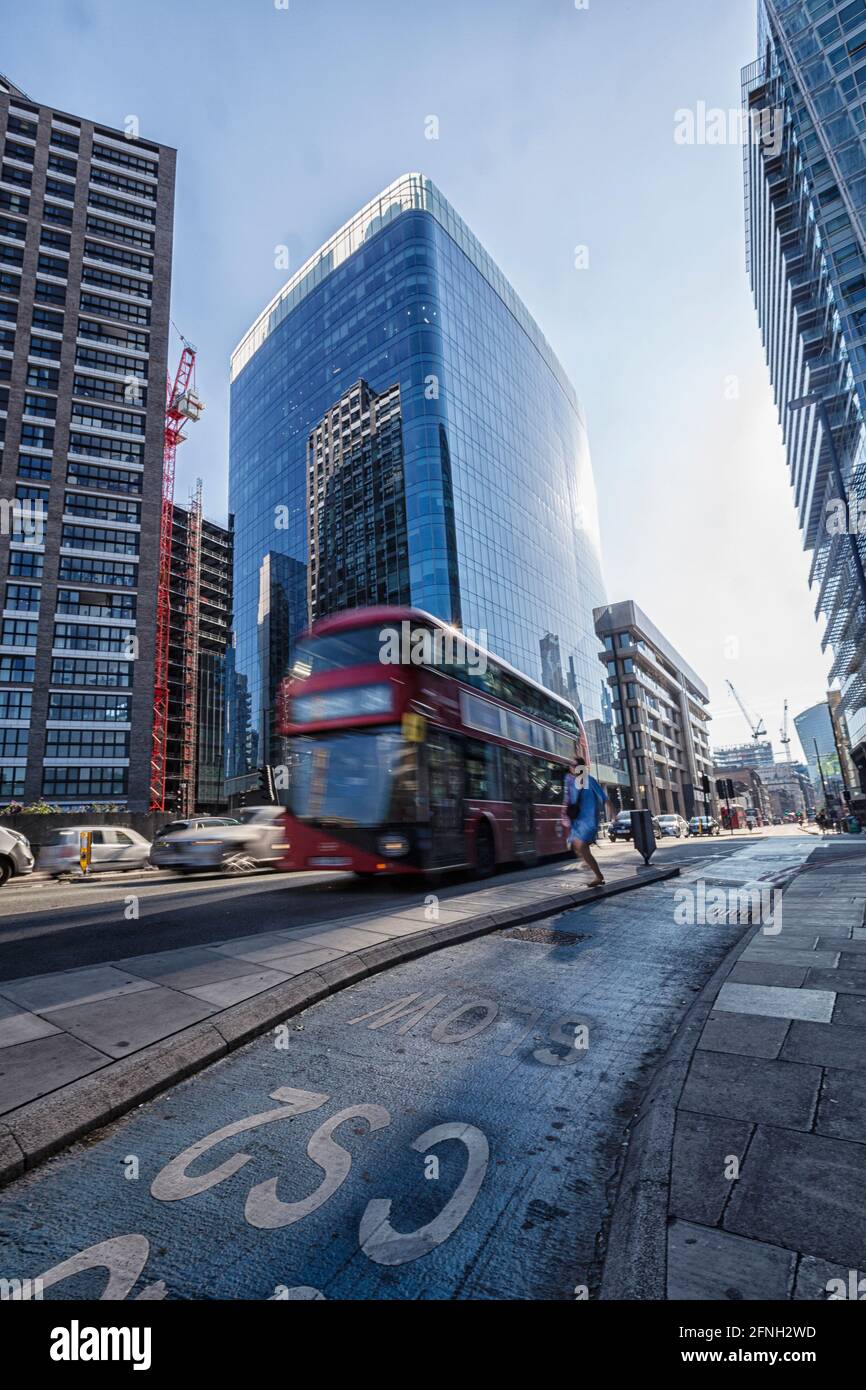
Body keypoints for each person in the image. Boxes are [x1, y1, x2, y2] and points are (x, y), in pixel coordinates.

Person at [562, 757, 608, 887]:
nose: (571, 767)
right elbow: (569, 800)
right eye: (571, 765)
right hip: (578, 821)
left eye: (574, 765)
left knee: (581, 847)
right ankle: (592, 869)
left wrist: (614, 813)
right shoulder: (572, 782)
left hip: (589, 821)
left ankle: (598, 876)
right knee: (577, 846)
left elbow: (604, 798)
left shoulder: (590, 781)